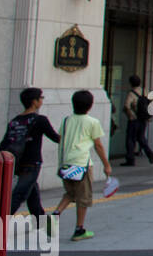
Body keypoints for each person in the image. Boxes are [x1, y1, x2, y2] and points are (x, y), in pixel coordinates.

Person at [49, 90, 114, 242]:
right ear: (90, 106)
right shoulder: (92, 122)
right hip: (82, 165)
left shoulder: (66, 121)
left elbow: (61, 139)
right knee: (83, 198)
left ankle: (55, 214)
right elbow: (98, 145)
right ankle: (79, 229)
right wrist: (106, 165)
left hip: (65, 164)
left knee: (71, 193)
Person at [0, 88, 61, 228]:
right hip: (32, 162)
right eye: (41, 98)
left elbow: (3, 144)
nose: (42, 100)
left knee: (32, 191)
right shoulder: (40, 120)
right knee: (19, 194)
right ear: (35, 102)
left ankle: (41, 220)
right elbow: (57, 138)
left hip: (17, 162)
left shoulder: (15, 121)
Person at [121, 75, 153, 166]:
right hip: (143, 119)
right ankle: (150, 154)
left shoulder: (132, 93)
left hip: (134, 120)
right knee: (141, 138)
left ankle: (130, 159)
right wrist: (149, 115)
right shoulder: (145, 91)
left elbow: (127, 106)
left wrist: (131, 115)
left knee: (130, 139)